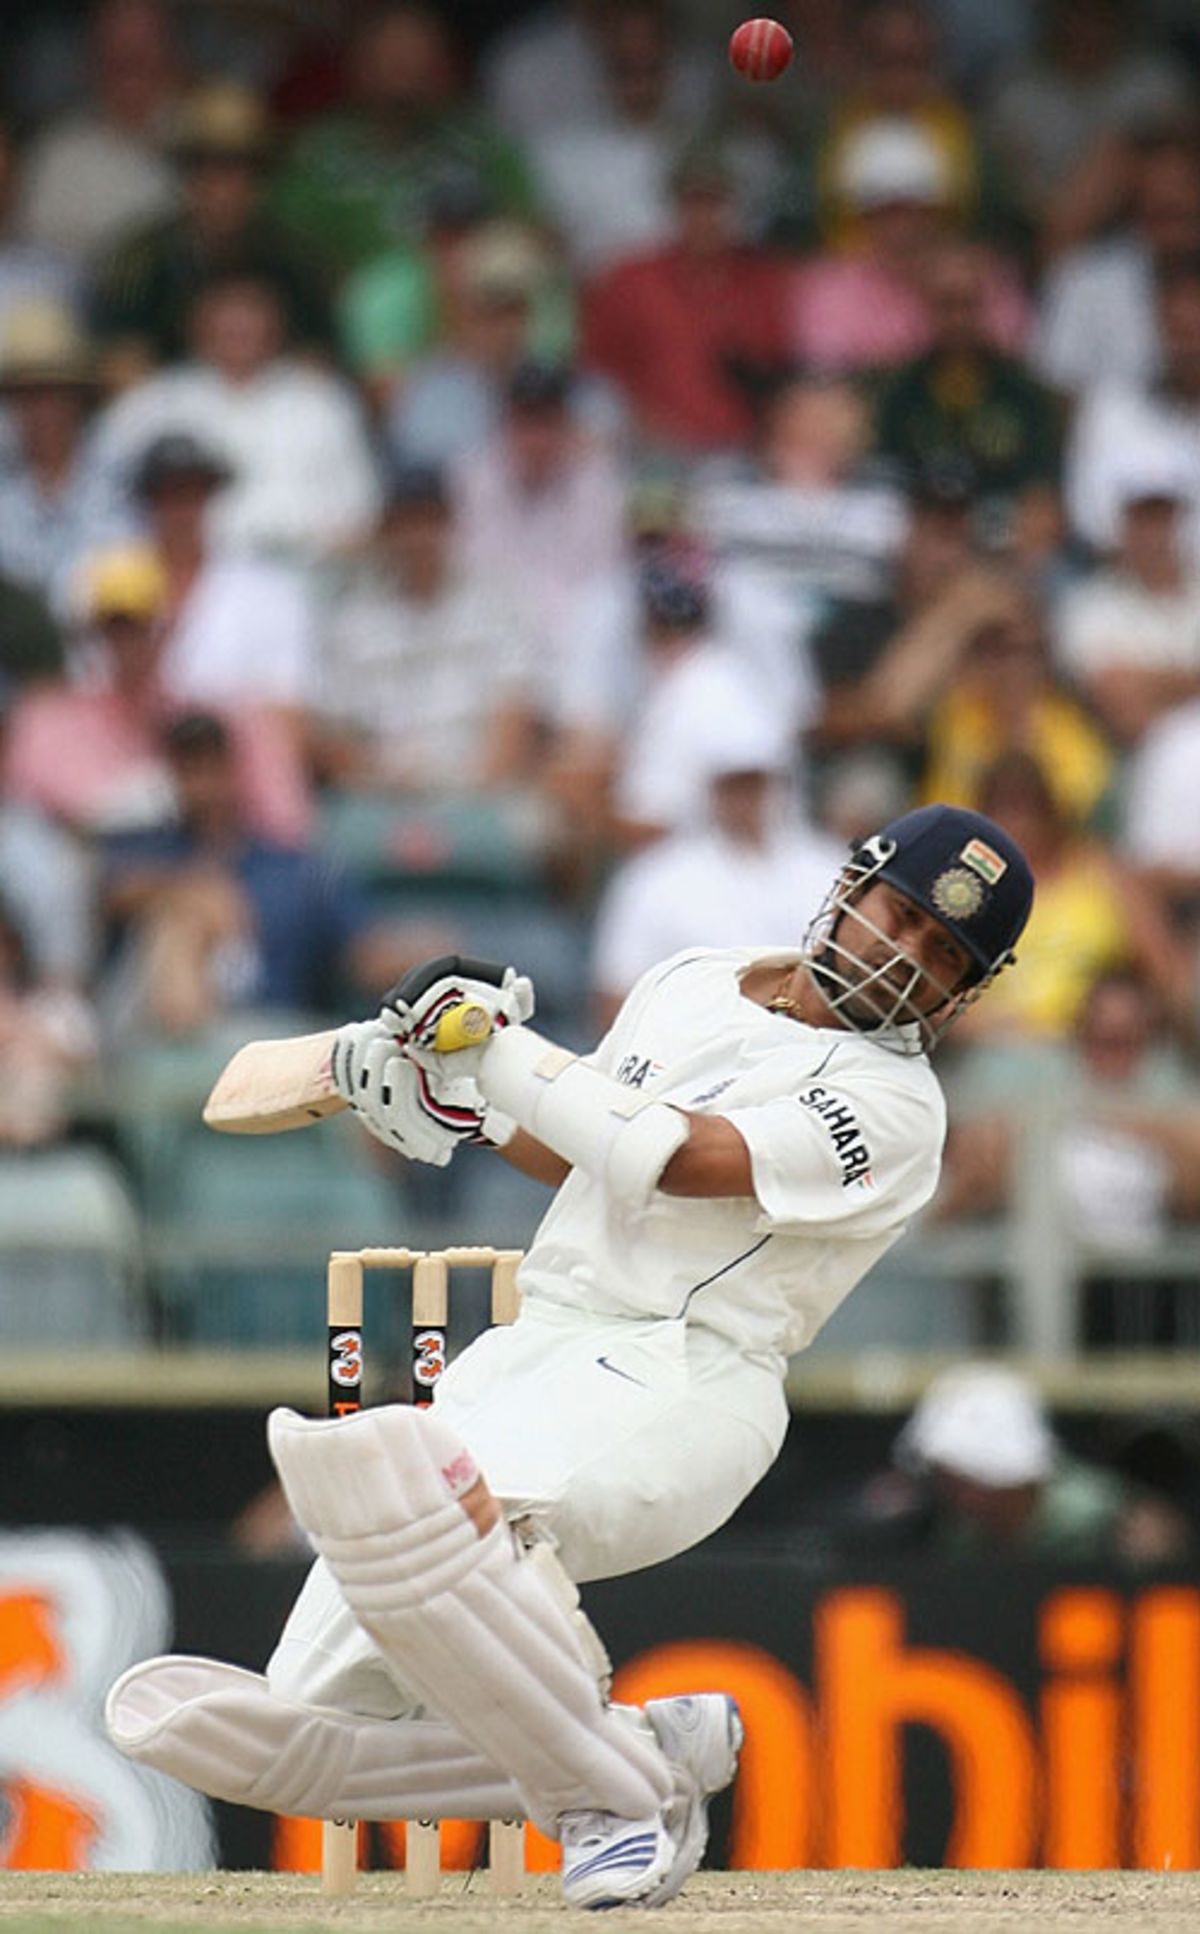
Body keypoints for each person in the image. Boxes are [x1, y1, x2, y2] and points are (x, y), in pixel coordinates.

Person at [106, 800, 1034, 1909]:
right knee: (326, 1722)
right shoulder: (697, 973)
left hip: (683, 1369)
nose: (907, 958)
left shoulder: (896, 1106)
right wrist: (455, 1098)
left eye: (943, 956)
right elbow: (584, 1145)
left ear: (963, 995)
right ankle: (638, 1752)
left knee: (443, 1515)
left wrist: (496, 1049)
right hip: (541, 1342)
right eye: (906, 917)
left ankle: (612, 1804)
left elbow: (669, 1154)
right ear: (854, 883)